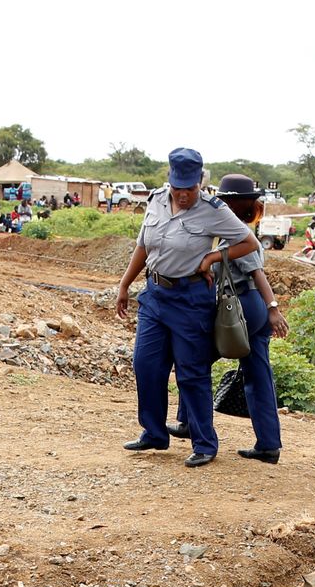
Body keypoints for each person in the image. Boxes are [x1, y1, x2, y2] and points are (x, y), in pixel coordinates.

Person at [115, 148, 258, 468]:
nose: (184, 195)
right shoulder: (155, 200)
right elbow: (143, 245)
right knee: (146, 364)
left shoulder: (213, 210)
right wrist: (125, 284)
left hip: (190, 299)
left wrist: (212, 258)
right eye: (178, 188)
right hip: (155, 294)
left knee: (191, 372)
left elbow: (249, 243)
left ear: (200, 183)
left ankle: (204, 443)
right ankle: (154, 433)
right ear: (170, 180)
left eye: (190, 189)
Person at [166, 174, 290, 462]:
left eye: (221, 201)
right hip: (253, 308)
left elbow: (257, 273)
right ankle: (268, 445)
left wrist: (273, 309)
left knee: (193, 359)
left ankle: (188, 422)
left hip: (242, 307)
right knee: (258, 374)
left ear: (230, 204)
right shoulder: (240, 231)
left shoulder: (236, 233)